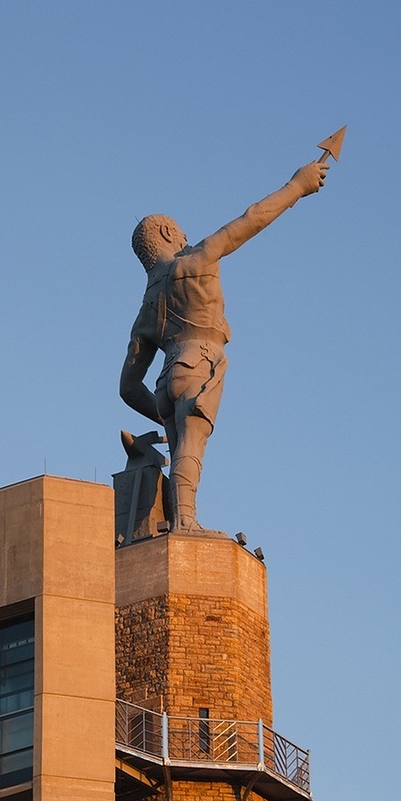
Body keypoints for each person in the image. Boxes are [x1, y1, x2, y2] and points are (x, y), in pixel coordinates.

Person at [120, 159, 329, 535]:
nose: (185, 237)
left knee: (183, 444)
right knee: (191, 449)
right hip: (200, 361)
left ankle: (179, 518)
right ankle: (185, 522)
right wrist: (298, 186)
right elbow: (250, 220)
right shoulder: (194, 261)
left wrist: (160, 415)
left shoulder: (146, 308)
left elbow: (128, 386)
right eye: (180, 232)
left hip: (167, 377)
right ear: (168, 232)